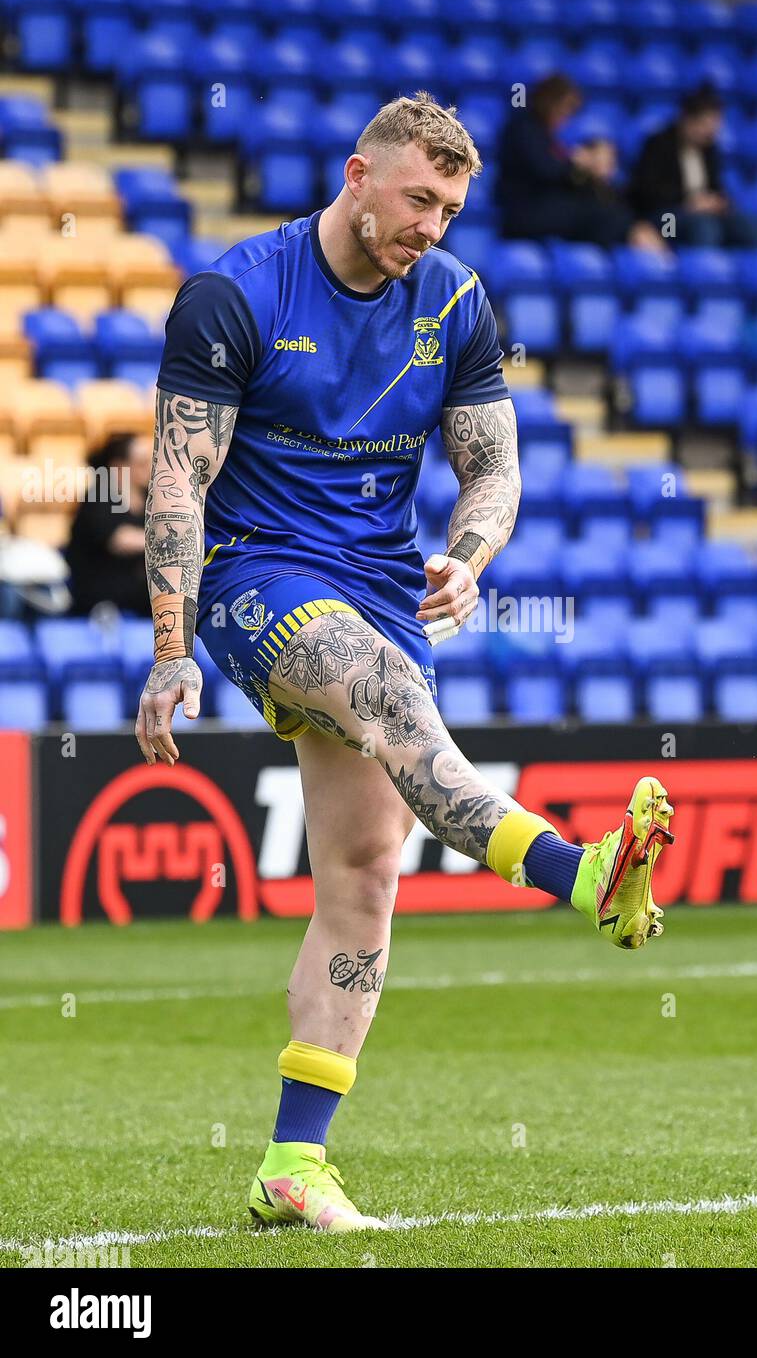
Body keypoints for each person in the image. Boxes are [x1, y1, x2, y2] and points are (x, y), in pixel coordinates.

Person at [135, 92, 675, 1233]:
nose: (432, 224)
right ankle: (584, 873)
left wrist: (471, 554)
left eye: (449, 206)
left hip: (381, 586)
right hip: (255, 578)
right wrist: (169, 651)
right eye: (417, 198)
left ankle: (292, 1162)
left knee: (365, 877)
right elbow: (177, 481)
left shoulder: (456, 303)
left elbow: (493, 467)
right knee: (387, 697)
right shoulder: (236, 295)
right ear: (356, 176)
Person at [496, 73, 666, 251]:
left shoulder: (540, 132)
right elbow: (547, 171)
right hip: (525, 213)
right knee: (604, 214)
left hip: (545, 206)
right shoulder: (523, 128)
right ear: (549, 102)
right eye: (564, 108)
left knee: (607, 204)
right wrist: (580, 162)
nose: (566, 117)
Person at [629, 85, 757, 248]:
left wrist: (716, 202)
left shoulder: (710, 149)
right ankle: (701, 270)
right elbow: (647, 193)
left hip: (703, 214)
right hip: (665, 218)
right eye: (706, 124)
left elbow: (716, 186)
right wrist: (688, 202)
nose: (711, 131)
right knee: (704, 228)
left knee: (749, 229)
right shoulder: (658, 145)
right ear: (688, 120)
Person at [65, 431, 151, 616]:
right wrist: (165, 543)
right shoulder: (100, 495)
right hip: (100, 592)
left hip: (138, 591)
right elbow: (120, 540)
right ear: (119, 467)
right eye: (142, 463)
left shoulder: (149, 498)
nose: (150, 468)